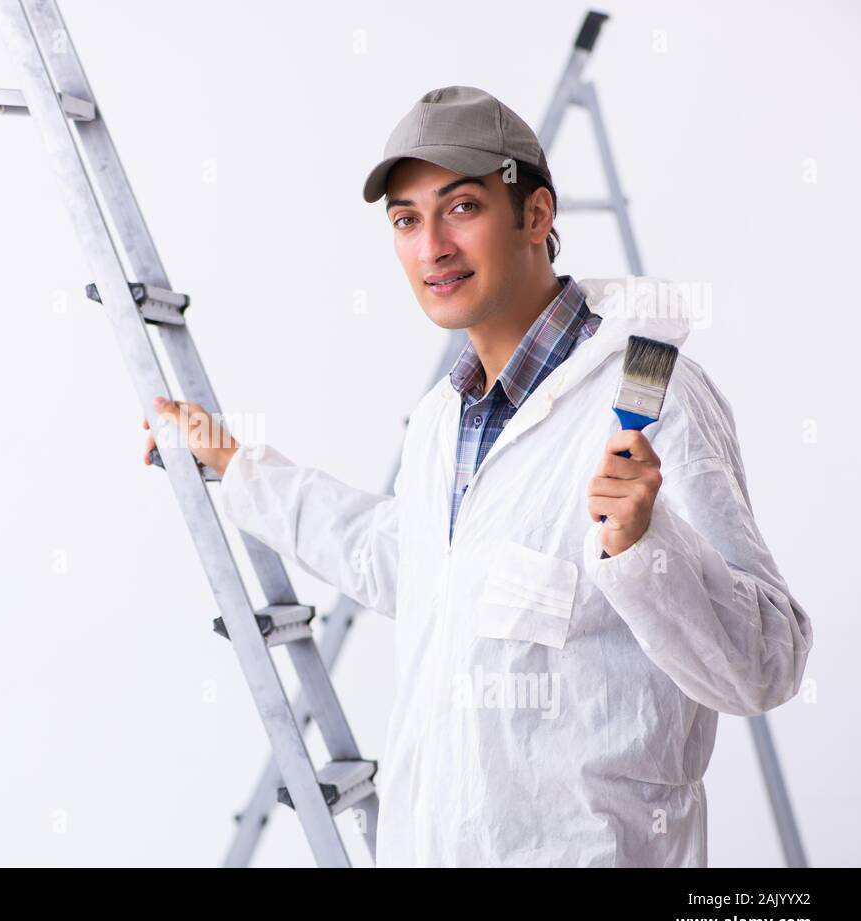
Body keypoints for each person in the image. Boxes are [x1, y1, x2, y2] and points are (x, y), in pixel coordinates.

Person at [140, 86, 812, 866]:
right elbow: (407, 562)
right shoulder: (442, 420)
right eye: (406, 219)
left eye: (461, 207)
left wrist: (645, 544)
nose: (432, 247)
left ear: (535, 216)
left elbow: (767, 665)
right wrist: (238, 464)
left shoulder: (652, 395)